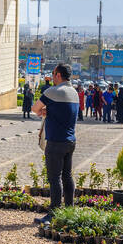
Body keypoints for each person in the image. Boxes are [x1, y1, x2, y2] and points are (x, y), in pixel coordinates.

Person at [33, 63, 79, 222]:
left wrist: (44, 111)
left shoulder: (52, 91)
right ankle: (69, 210)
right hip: (70, 140)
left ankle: (53, 213)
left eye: (53, 74)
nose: (52, 78)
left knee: (54, 177)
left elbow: (35, 109)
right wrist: (49, 111)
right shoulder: (74, 92)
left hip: (55, 141)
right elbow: (63, 112)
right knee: (67, 175)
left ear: (58, 75)